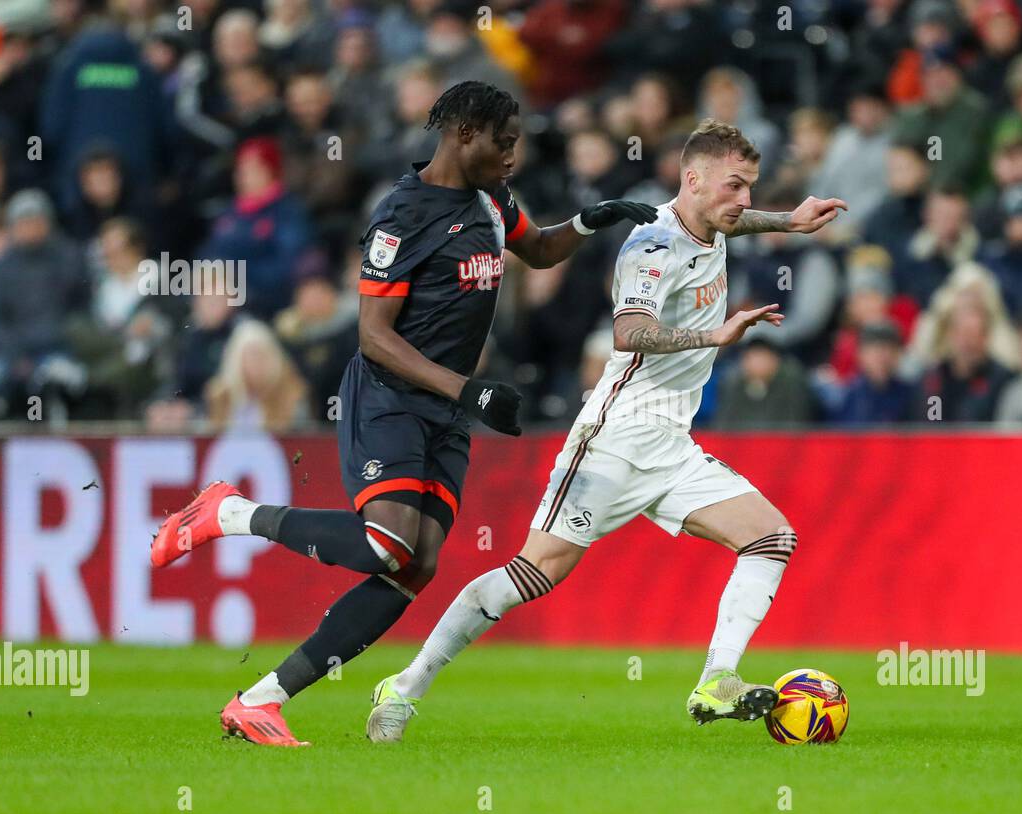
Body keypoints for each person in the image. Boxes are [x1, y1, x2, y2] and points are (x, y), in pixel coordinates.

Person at [147, 81, 660, 747]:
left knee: (413, 564)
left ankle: (261, 699)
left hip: (444, 408)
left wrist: (594, 219)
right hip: (390, 395)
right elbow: (374, 335)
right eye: (504, 142)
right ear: (465, 134)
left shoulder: (490, 198)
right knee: (385, 543)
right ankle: (229, 512)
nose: (513, 155)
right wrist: (469, 391)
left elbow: (537, 250)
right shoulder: (402, 216)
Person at [366, 119, 847, 742]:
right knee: (532, 575)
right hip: (615, 437)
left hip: (672, 446)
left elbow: (733, 222)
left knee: (771, 538)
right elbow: (629, 332)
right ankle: (403, 687)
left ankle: (715, 682)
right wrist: (716, 333)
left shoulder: (712, 221)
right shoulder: (652, 247)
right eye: (736, 186)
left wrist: (788, 220)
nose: (745, 201)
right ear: (693, 179)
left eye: (750, 187)